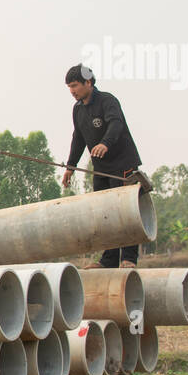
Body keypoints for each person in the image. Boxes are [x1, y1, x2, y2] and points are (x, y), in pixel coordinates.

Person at [61, 64, 144, 268]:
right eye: (69, 87)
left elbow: (116, 124)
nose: (72, 91)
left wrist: (105, 143)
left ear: (88, 83)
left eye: (75, 85)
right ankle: (108, 260)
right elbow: (78, 138)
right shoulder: (78, 109)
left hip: (123, 164)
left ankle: (129, 258)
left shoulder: (108, 100)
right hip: (101, 168)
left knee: (125, 211)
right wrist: (70, 166)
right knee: (105, 213)